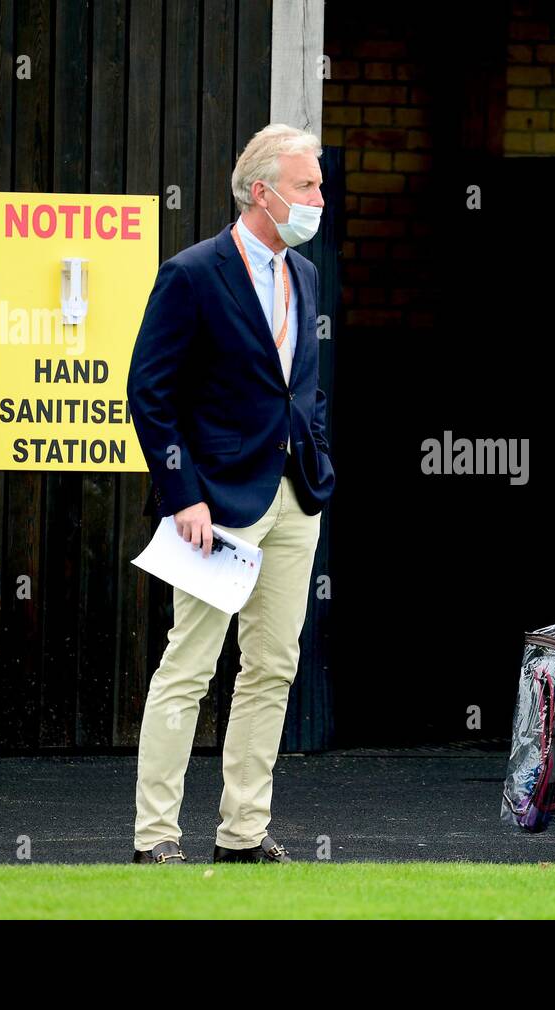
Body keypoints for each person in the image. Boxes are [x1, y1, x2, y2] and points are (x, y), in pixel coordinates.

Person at [126, 123, 334, 865]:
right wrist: (184, 494)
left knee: (273, 665)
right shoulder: (192, 273)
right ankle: (156, 838)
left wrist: (315, 458)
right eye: (307, 186)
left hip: (293, 498)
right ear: (261, 192)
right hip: (212, 508)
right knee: (190, 665)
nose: (319, 198)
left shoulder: (303, 276)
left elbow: (295, 390)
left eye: (317, 185)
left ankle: (242, 833)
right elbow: (150, 395)